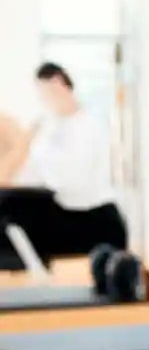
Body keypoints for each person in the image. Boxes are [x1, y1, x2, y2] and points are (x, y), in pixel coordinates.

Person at [0, 62, 127, 257]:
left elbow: (70, 180)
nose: (45, 101)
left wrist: (28, 145)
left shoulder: (89, 126)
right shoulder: (50, 128)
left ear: (59, 84)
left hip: (94, 219)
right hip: (69, 212)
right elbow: (32, 173)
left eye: (47, 94)